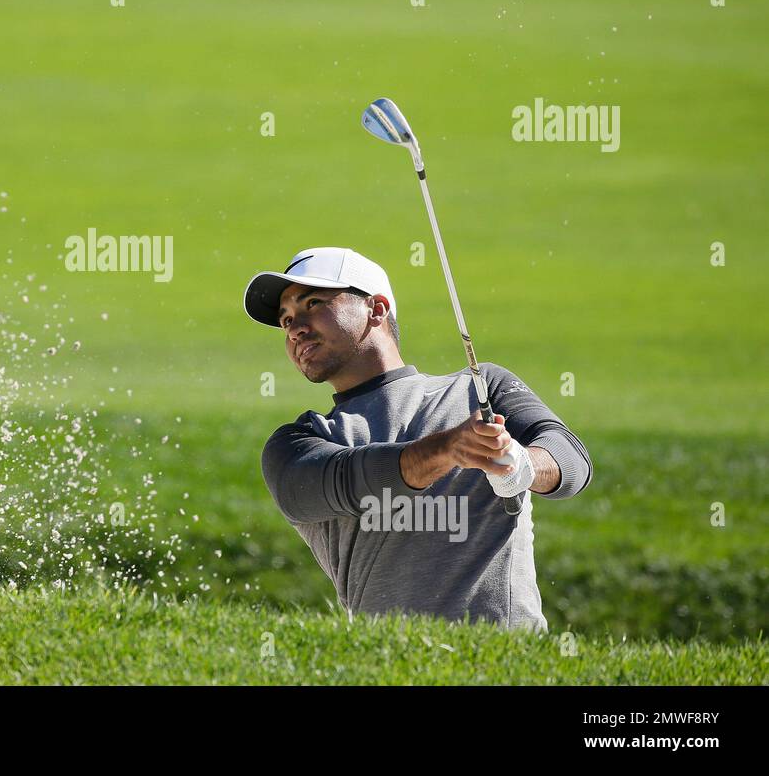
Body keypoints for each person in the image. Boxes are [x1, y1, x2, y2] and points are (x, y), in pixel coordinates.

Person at [243, 247, 592, 631]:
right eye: (286, 318)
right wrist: (446, 450)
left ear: (376, 309)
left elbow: (571, 461)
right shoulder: (300, 441)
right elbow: (337, 482)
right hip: (390, 667)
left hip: (512, 661)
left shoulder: (481, 387)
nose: (295, 327)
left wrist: (524, 465)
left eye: (313, 304)